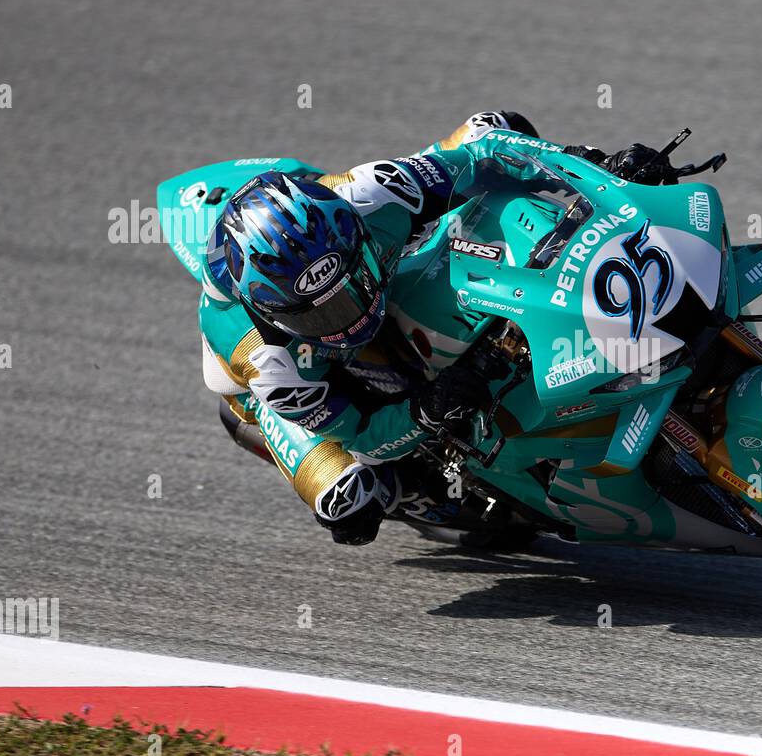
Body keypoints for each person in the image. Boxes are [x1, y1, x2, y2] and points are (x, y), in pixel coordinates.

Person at [200, 111, 677, 545]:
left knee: (493, 123)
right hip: (267, 385)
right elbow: (361, 433)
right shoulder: (269, 358)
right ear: (278, 313)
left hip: (375, 240)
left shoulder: (371, 195)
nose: (349, 314)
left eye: (351, 285)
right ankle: (410, 493)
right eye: (319, 313)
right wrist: (426, 411)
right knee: (347, 498)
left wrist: (596, 168)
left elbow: (483, 156)